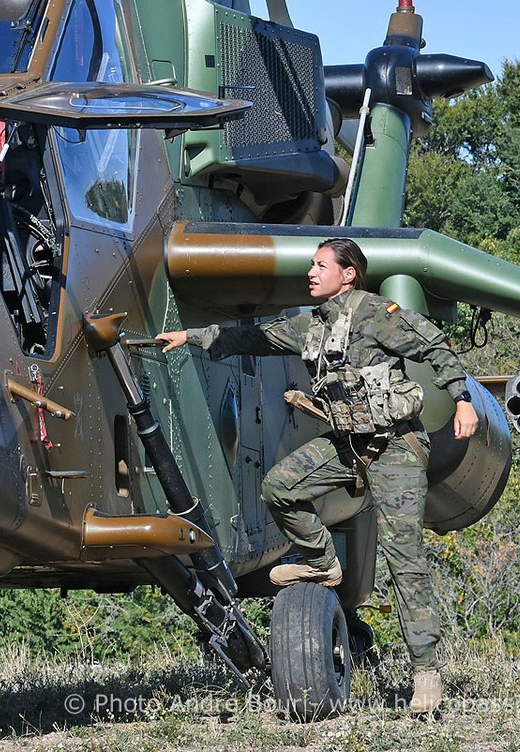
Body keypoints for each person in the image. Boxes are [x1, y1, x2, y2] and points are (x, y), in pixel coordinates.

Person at [156, 238, 478, 716]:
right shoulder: (311, 326)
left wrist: (462, 398)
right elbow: (255, 339)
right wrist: (193, 337)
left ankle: (426, 674)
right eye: (311, 264)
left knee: (403, 561)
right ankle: (322, 560)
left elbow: (433, 343)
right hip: (346, 446)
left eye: (321, 265)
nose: (311, 272)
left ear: (348, 274)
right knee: (280, 486)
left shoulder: (376, 314)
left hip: (394, 448)